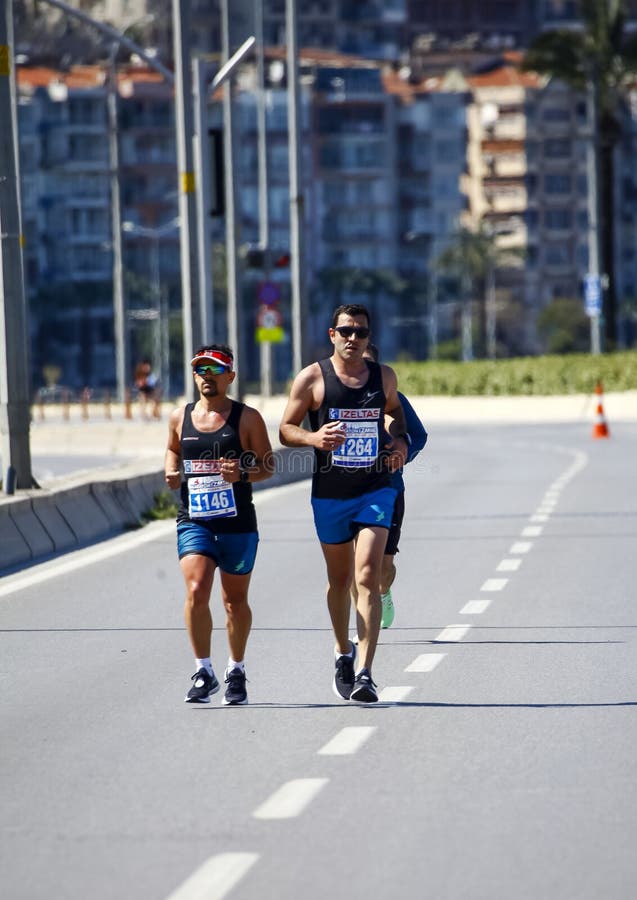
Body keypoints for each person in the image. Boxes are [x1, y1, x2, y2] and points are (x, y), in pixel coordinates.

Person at [279, 304, 408, 703]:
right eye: (346, 331)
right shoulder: (313, 378)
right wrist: (314, 439)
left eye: (361, 333)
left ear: (369, 337)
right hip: (331, 494)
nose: (354, 339)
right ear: (332, 333)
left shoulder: (383, 376)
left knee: (367, 576)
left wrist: (399, 442)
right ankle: (343, 651)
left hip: (375, 488)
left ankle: (366, 673)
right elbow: (285, 429)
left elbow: (396, 414)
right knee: (340, 581)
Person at [165, 345, 273, 705]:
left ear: (230, 376)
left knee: (233, 601)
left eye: (215, 369)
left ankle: (236, 669)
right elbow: (172, 448)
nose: (206, 376)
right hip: (194, 519)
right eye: (200, 369)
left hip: (237, 523)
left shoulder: (247, 418)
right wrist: (169, 467)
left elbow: (268, 466)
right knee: (196, 589)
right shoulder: (180, 417)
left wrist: (241, 472)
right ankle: (202, 670)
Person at [350, 343, 427, 633]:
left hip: (389, 489)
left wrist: (401, 453)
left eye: (368, 365)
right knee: (355, 565)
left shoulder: (393, 398)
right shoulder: (337, 399)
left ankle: (383, 592)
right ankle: (362, 623)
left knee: (382, 567)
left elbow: (418, 435)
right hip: (349, 490)